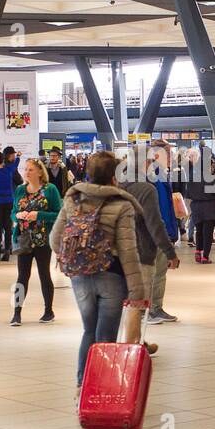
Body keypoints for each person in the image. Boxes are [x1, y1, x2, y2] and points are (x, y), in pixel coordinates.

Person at [50, 150, 148, 391]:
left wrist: (72, 255)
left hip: (80, 275)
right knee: (106, 336)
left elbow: (54, 239)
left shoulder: (73, 199)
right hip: (111, 275)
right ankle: (100, 391)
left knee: (88, 332)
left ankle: (82, 386)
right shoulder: (121, 204)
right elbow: (127, 251)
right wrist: (138, 291)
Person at [119, 145, 181, 325]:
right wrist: (169, 248)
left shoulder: (125, 181)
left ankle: (149, 318)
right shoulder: (147, 184)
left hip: (133, 242)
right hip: (146, 240)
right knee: (147, 285)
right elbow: (154, 218)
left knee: (141, 289)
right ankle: (151, 312)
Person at [10, 158, 62, 326]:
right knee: (21, 277)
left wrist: (39, 215)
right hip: (24, 239)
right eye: (25, 169)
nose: (27, 172)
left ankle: (48, 311)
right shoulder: (20, 190)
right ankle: (16, 313)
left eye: (31, 169)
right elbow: (13, 212)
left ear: (40, 172)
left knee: (44, 274)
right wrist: (17, 216)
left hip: (43, 239)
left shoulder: (50, 189)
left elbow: (58, 214)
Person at [181, 145, 215, 263]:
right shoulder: (210, 178)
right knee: (207, 233)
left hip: (196, 207)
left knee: (199, 230)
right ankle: (205, 257)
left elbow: (187, 193)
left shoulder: (193, 177)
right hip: (208, 207)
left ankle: (198, 252)